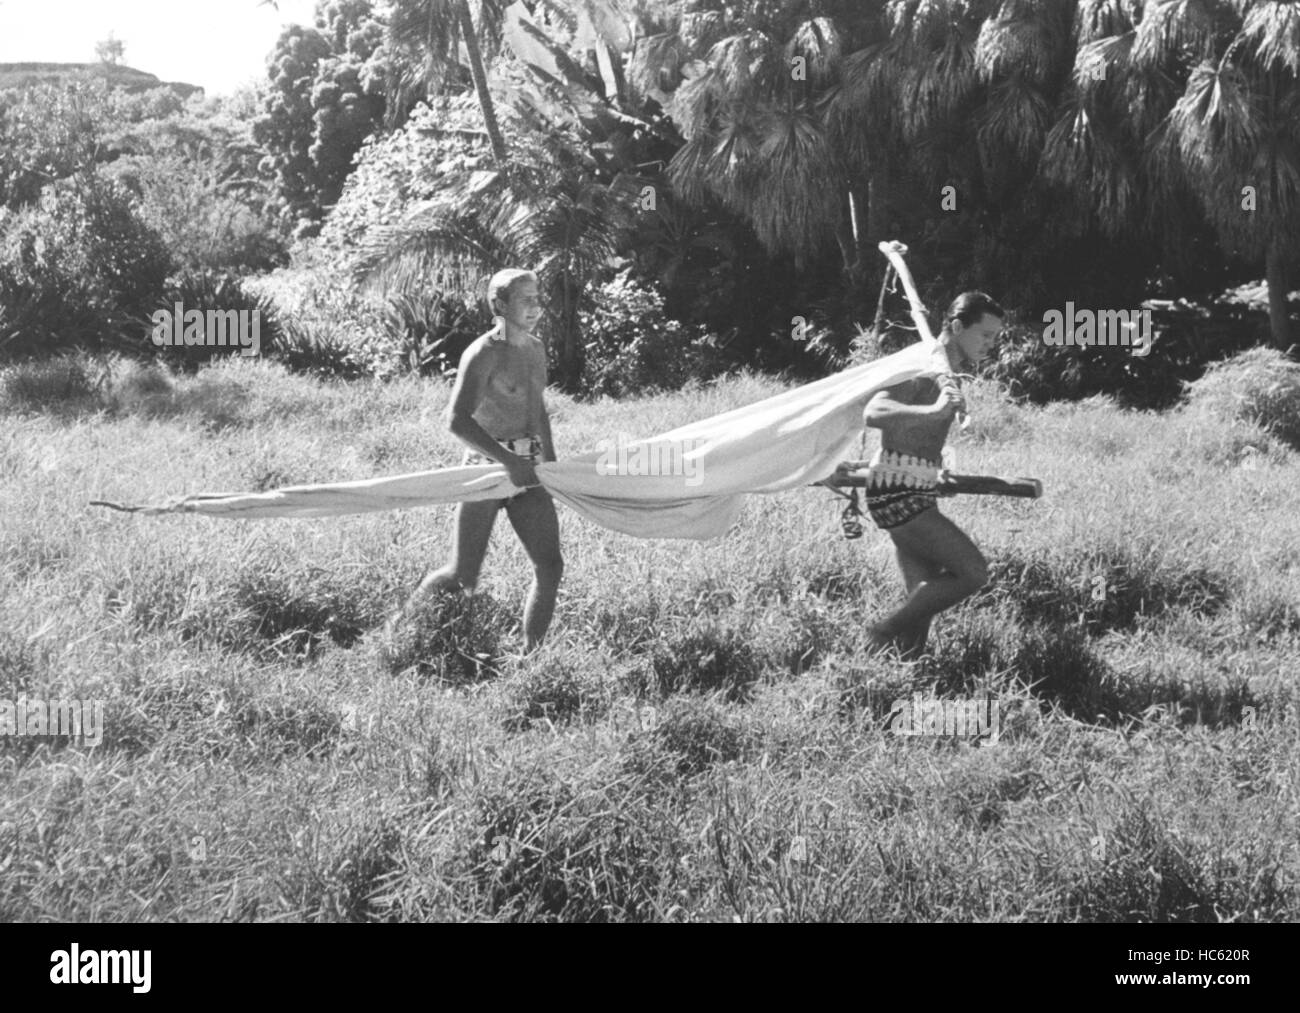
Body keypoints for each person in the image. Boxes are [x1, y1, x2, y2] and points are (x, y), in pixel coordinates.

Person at [392, 268, 562, 650]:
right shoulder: (483, 353)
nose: (536, 307)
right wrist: (506, 461)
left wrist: (550, 462)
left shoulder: (535, 349)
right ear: (499, 305)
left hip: (529, 468)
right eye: (526, 300)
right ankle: (399, 632)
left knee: (550, 566)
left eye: (538, 298)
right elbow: (456, 420)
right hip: (487, 468)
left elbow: (538, 410)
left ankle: (529, 658)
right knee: (463, 576)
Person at [861, 292, 1005, 660]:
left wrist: (935, 471)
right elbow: (875, 412)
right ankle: (883, 629)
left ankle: (906, 668)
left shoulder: (946, 371)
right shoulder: (924, 365)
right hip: (895, 489)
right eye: (985, 335)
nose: (991, 345)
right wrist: (936, 410)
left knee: (924, 593)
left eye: (994, 338)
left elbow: (921, 440)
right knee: (973, 573)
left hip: (916, 487)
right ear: (956, 327)